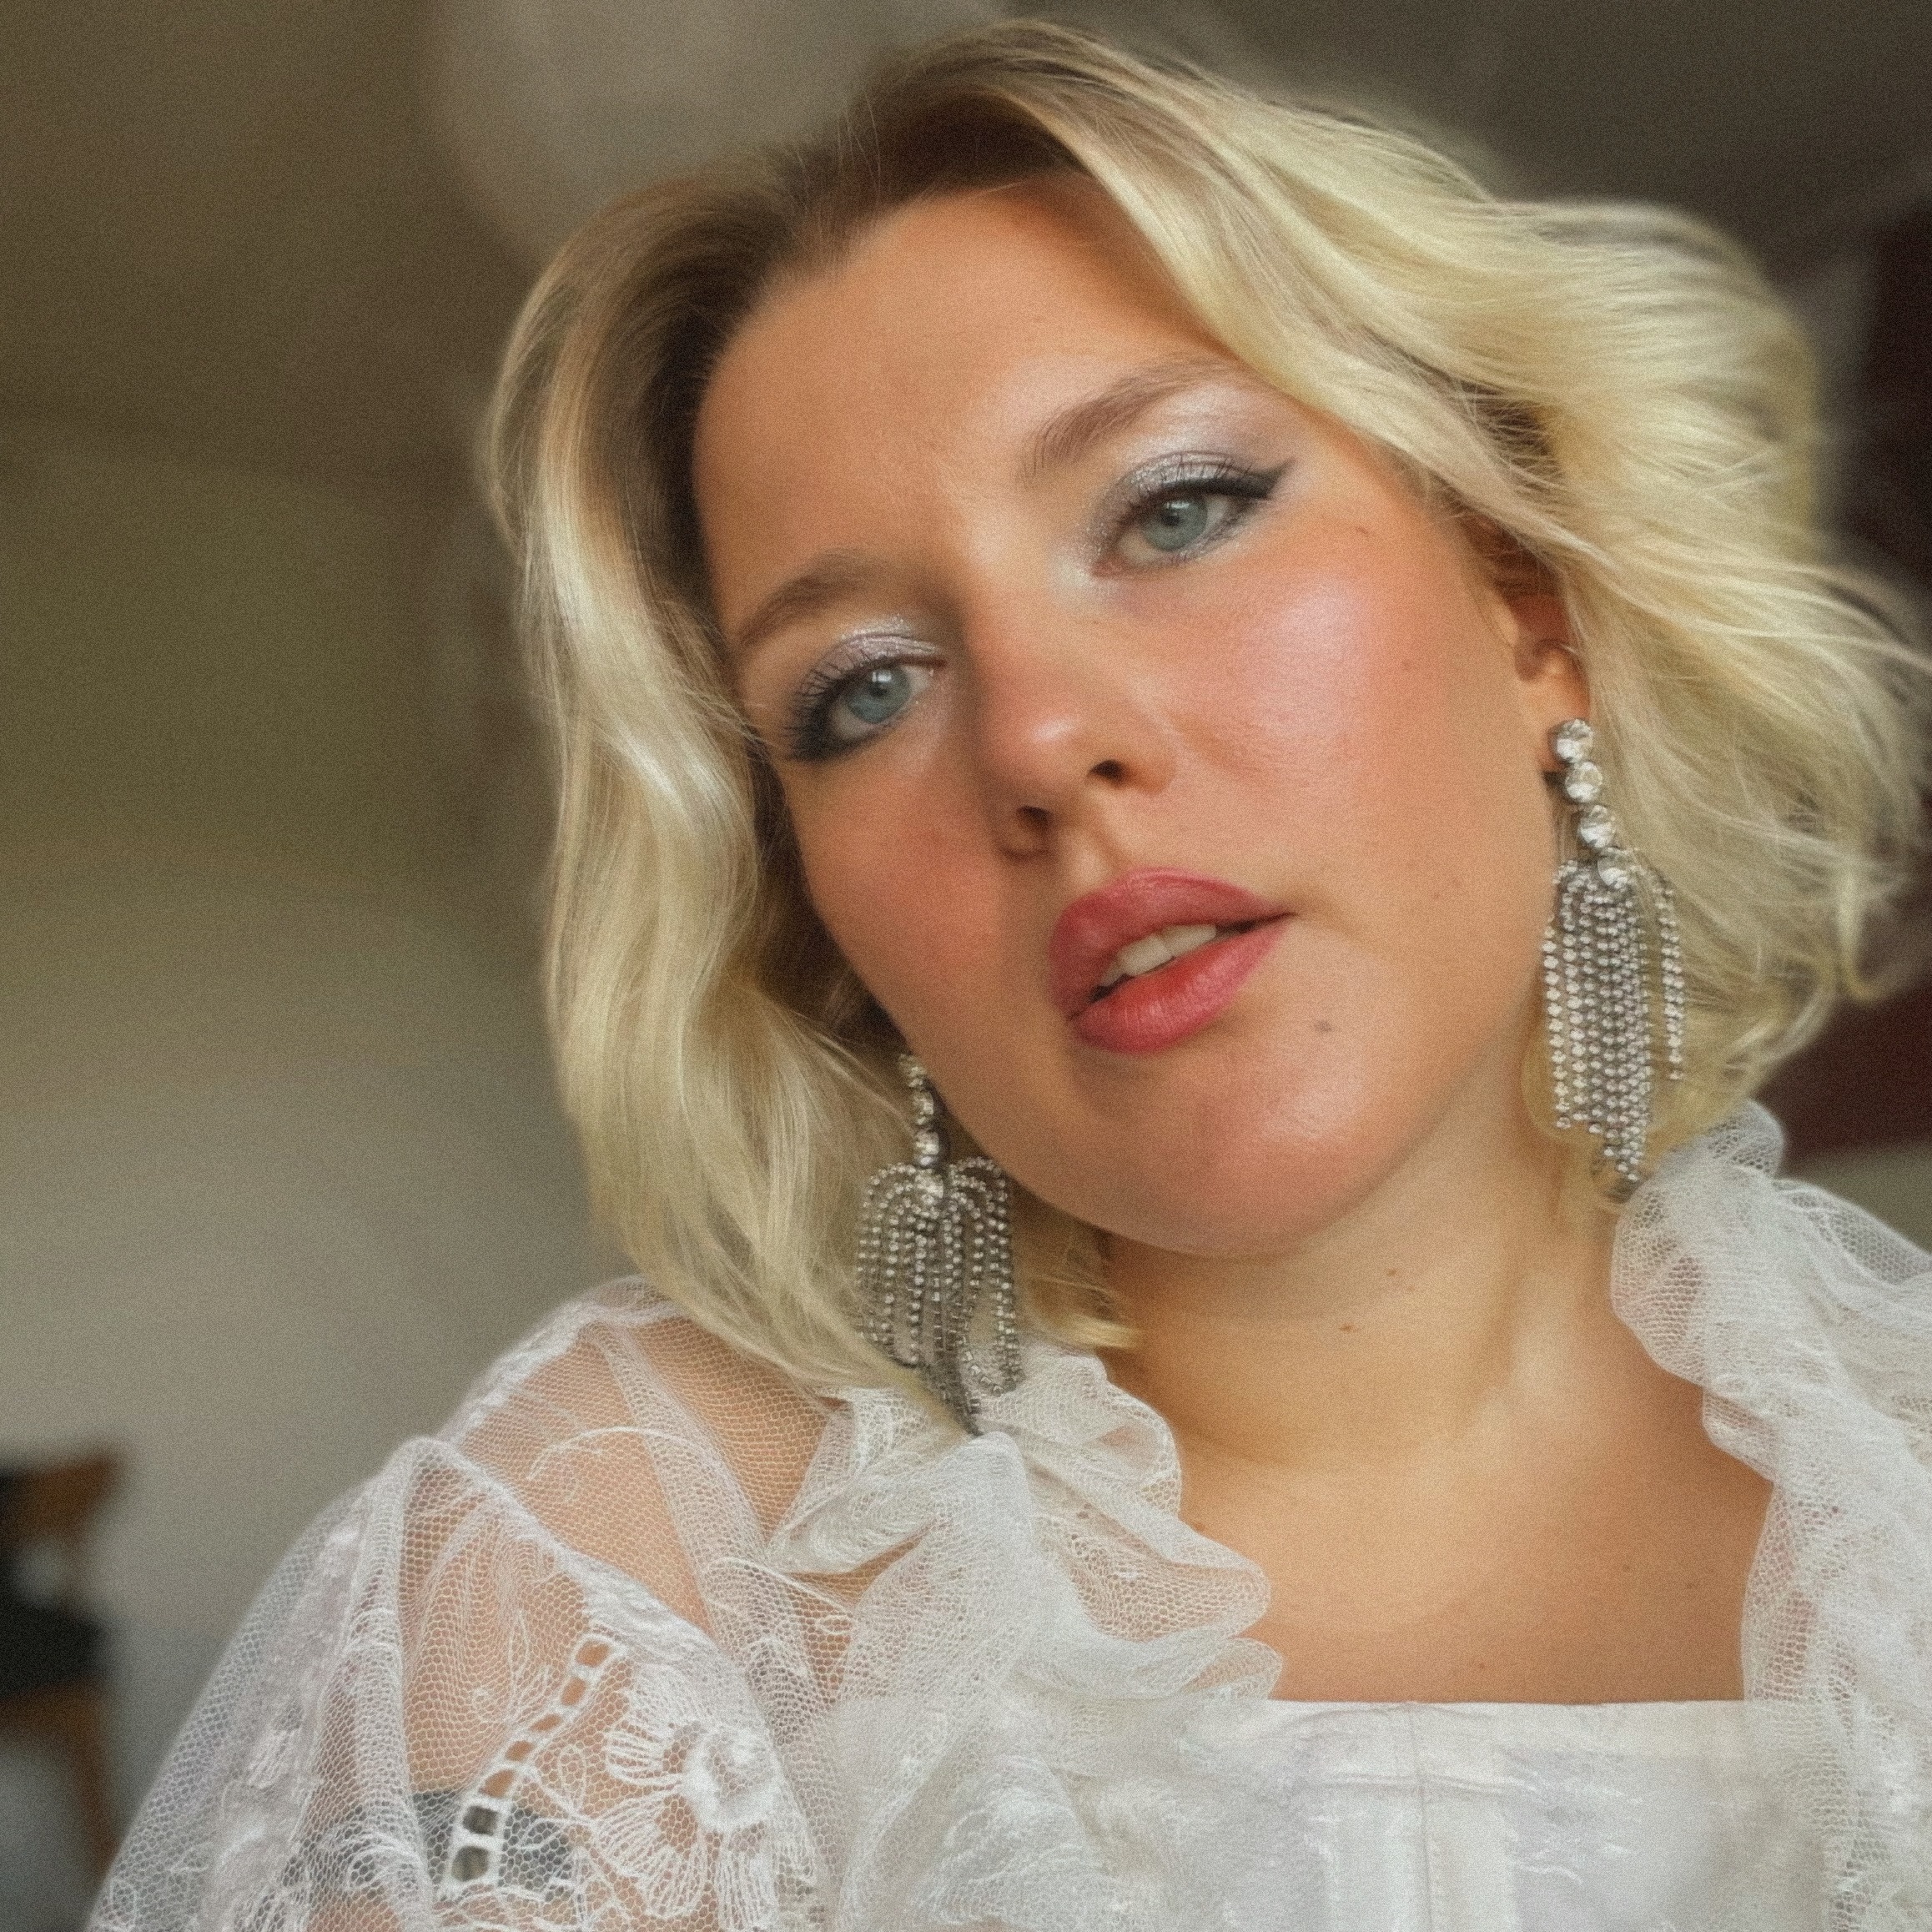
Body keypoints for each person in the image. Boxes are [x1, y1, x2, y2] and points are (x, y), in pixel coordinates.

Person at [94, 22, 1932, 1932]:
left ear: (1527, 606)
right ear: (821, 915)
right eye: (862, 690)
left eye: (1175, 509)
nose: (1039, 741)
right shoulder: (628, 1561)